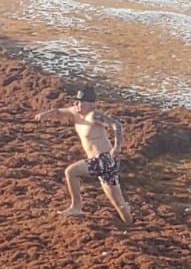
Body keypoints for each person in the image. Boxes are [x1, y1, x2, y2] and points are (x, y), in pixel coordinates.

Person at [35, 87, 133, 222]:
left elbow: (117, 125)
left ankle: (76, 207)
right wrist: (46, 114)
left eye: (80, 102)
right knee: (118, 203)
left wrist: (117, 146)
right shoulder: (75, 112)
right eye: (76, 101)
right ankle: (130, 224)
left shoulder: (94, 115)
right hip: (100, 162)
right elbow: (58, 112)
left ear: (91, 104)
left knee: (71, 172)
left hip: (105, 160)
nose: (76, 104)